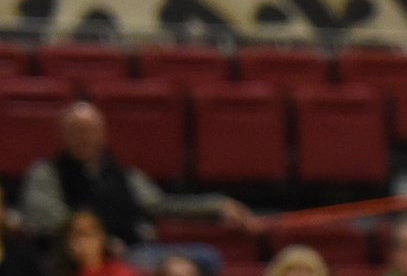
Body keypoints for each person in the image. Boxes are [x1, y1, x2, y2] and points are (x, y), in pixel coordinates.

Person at [19, 100, 248, 249]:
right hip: (74, 263)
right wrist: (100, 245)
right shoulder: (46, 174)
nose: (85, 138)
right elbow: (49, 221)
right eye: (77, 131)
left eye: (90, 131)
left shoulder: (125, 175)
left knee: (203, 257)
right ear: (63, 136)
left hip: (133, 250)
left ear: (103, 134)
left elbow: (161, 205)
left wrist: (215, 206)